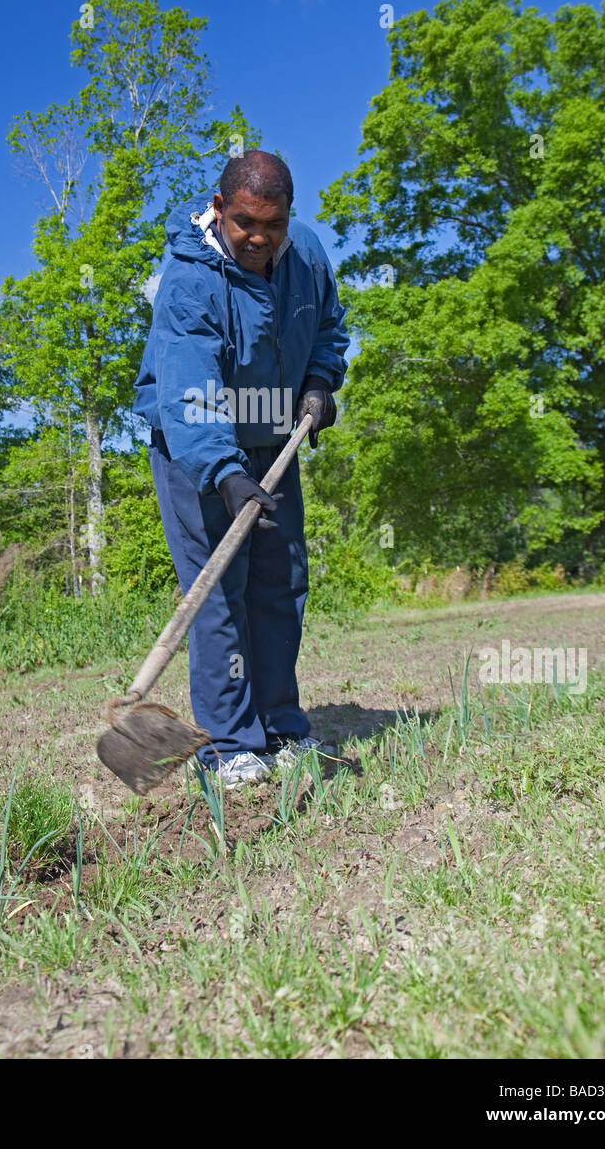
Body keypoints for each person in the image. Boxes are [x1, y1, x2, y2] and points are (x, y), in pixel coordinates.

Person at [133, 151, 349, 787]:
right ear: (220, 209)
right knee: (219, 593)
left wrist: (318, 381)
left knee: (281, 584)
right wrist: (224, 472)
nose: (259, 238)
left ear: (289, 217)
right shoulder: (188, 280)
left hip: (273, 439)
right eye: (246, 223)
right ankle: (229, 745)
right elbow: (189, 387)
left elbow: (329, 327)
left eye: (273, 224)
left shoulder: (305, 254)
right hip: (193, 447)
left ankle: (280, 726)